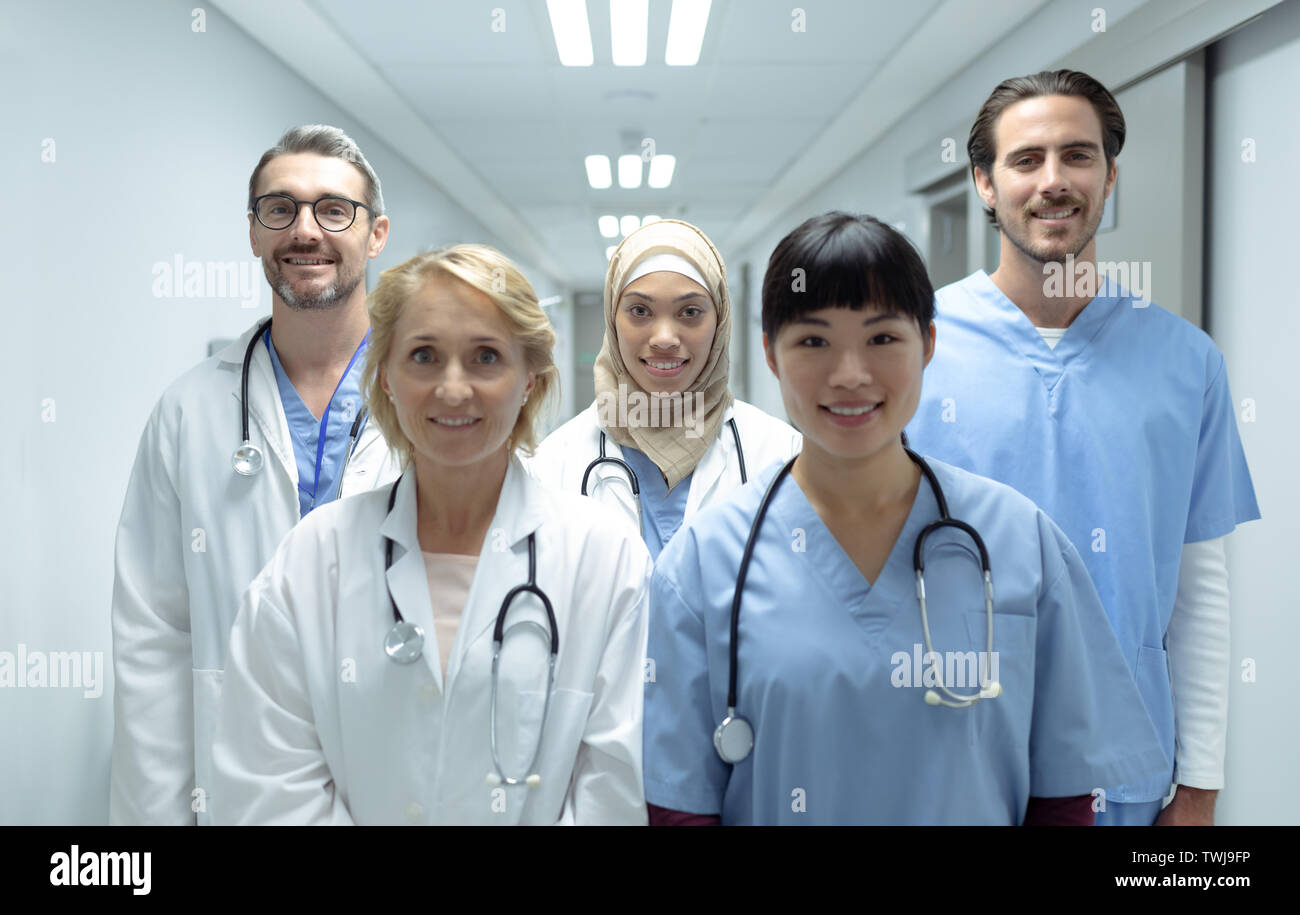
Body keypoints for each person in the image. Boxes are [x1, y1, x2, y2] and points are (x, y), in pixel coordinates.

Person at [643, 212, 1167, 825]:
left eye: (882, 338)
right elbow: (680, 809)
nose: (850, 375)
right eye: (814, 341)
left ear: (929, 344)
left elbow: (1064, 796)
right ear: (771, 356)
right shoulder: (706, 562)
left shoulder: (1018, 541)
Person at [905, 70, 1260, 826]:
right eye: (1026, 160)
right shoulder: (912, 350)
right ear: (985, 185)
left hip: (1123, 772)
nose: (1054, 180)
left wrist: (1198, 787)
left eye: (1079, 155)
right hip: (946, 763)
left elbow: (1200, 590)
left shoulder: (1185, 362)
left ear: (1110, 176)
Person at [211, 245, 652, 825]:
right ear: (387, 376)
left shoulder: (604, 557)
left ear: (530, 381)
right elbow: (267, 784)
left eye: (486, 357)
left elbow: (611, 792)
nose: (452, 388)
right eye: (423, 356)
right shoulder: (314, 557)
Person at [110, 125, 401, 825]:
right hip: (238, 790)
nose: (305, 230)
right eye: (280, 209)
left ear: (376, 234)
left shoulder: (434, 401)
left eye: (334, 210)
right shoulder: (189, 411)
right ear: (253, 232)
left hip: (399, 776)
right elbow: (153, 640)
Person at [528, 218, 800, 560]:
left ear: (720, 323)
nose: (665, 339)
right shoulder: (553, 464)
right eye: (640, 311)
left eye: (690, 312)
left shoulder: (781, 454)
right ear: (613, 320)